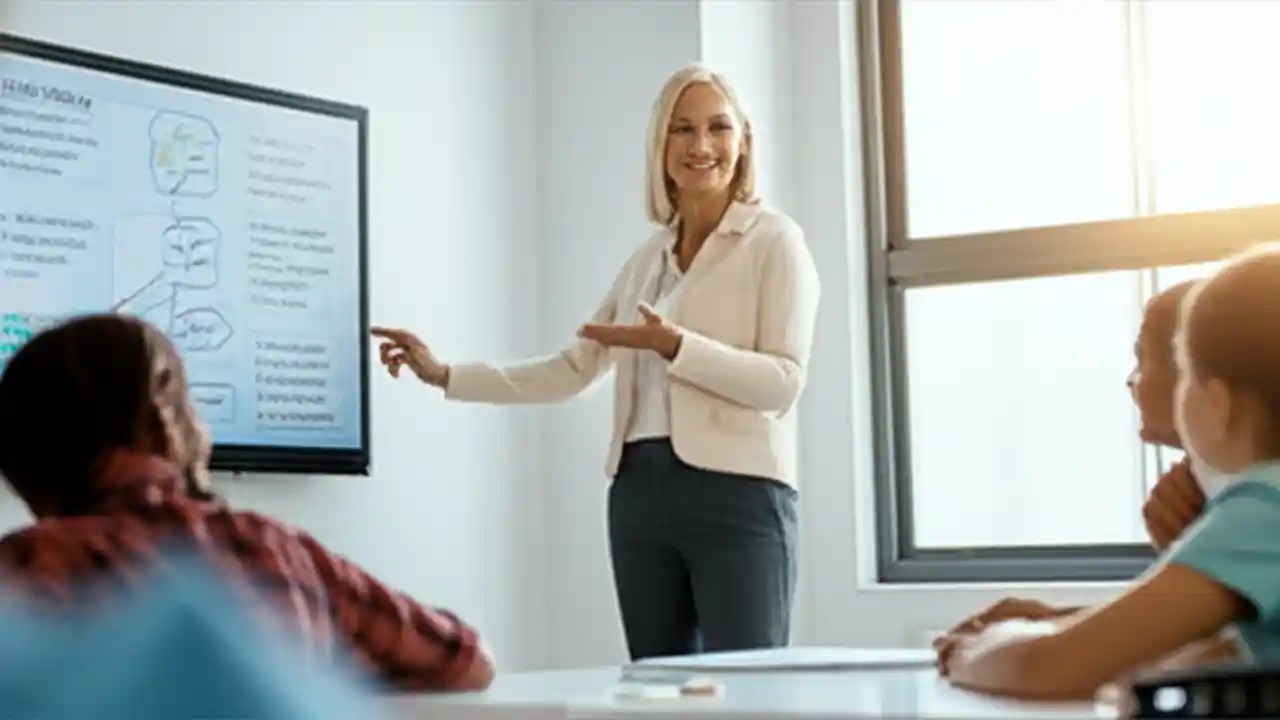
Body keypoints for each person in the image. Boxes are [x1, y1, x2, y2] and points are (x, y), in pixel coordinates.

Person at [372, 62, 821, 660]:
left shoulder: (775, 241)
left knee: (749, 690)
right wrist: (446, 374)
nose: (701, 145)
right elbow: (572, 368)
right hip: (639, 495)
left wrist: (676, 346)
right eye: (682, 129)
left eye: (718, 127)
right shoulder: (647, 260)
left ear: (743, 142)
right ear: (660, 145)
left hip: (738, 497)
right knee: (657, 690)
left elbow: (782, 383)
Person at [0, 313, 494, 692]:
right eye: (190, 404)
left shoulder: (24, 568)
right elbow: (466, 658)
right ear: (163, 422)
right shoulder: (277, 552)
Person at [935, 245, 1280, 700]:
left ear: (1219, 405)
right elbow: (1212, 646)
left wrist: (971, 650)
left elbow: (1049, 666)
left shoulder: (1263, 509)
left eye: (1185, 372)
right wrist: (1070, 622)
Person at [935, 281, 1212, 642]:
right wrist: (1051, 620)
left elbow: (1222, 640)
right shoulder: (1194, 489)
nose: (1131, 380)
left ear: (1190, 374)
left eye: (1143, 359)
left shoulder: (1243, 502)